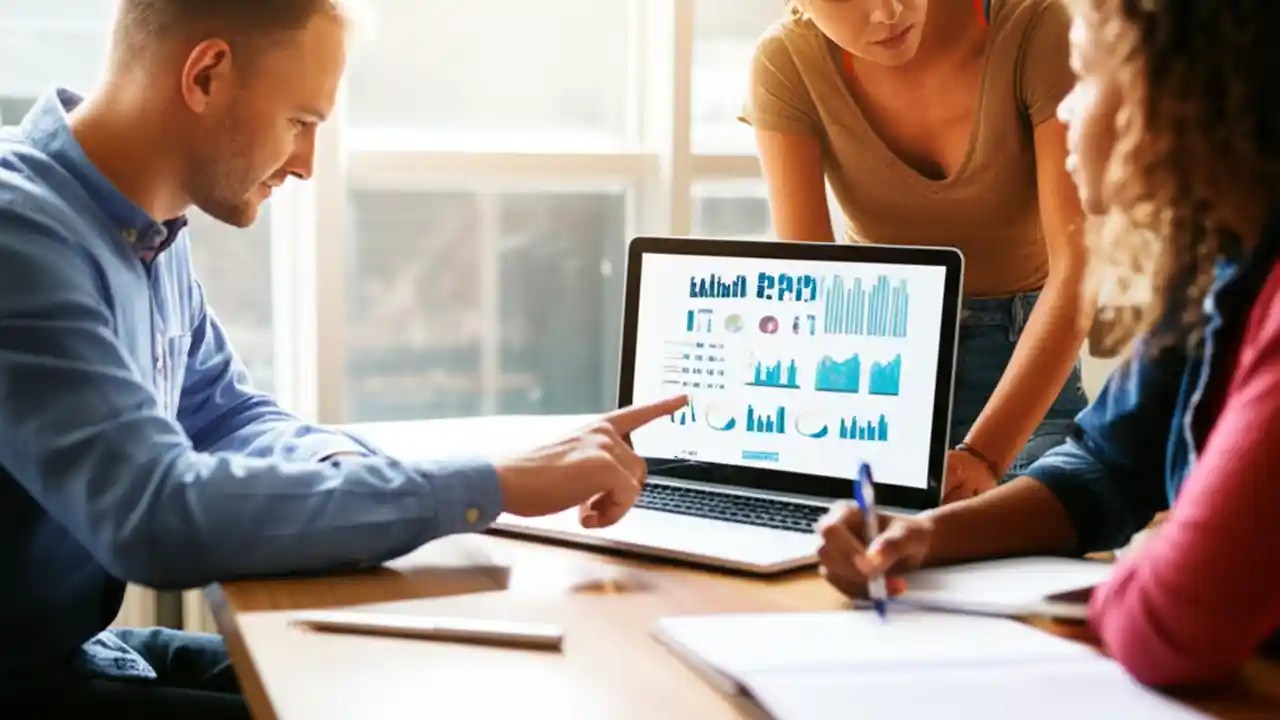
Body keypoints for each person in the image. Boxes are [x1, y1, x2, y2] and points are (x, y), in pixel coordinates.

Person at [0, 1, 684, 716]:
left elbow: (226, 414)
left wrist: (359, 474)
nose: (305, 164)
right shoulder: (20, 233)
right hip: (22, 681)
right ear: (206, 75)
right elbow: (157, 516)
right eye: (301, 122)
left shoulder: (143, 228)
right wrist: (491, 484)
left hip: (69, 650)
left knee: (400, 685)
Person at [815, 0, 1280, 688]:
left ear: (1187, 94)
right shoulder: (1215, 262)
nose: (1064, 111)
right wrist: (925, 535)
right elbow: (1108, 465)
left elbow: (1180, 622)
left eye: (1086, 75)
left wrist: (1152, 564)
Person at [744, 0, 1091, 501]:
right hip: (877, 385)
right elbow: (811, 291)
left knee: (1044, 561)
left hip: (1026, 387)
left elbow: (1079, 270)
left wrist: (985, 455)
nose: (888, 10)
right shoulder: (787, 62)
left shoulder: (1034, 28)